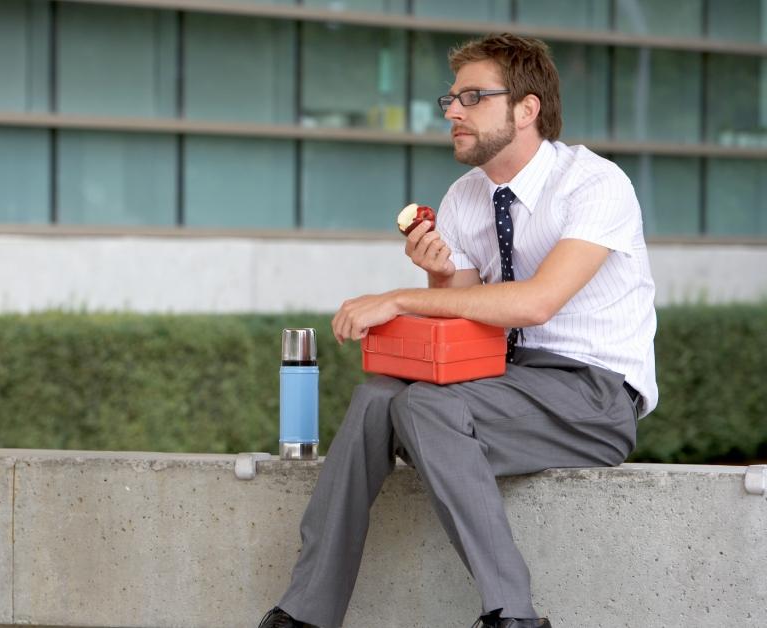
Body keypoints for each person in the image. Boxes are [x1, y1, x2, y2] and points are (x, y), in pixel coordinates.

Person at [257, 32, 657, 628]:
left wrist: (398, 297)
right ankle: (307, 612)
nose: (452, 112)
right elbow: (468, 318)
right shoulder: (465, 198)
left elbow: (537, 303)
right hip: (500, 385)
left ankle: (513, 615)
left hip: (593, 396)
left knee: (426, 410)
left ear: (527, 109)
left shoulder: (594, 184)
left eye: (472, 98)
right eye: (450, 98)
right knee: (376, 399)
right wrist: (440, 281)